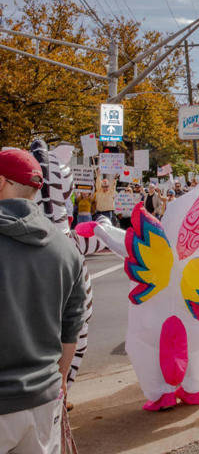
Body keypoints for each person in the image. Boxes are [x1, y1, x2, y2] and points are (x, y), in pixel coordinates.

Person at [0, 149, 87, 453]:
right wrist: (59, 382)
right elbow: (71, 329)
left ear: (1, 183)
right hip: (43, 399)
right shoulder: (67, 249)